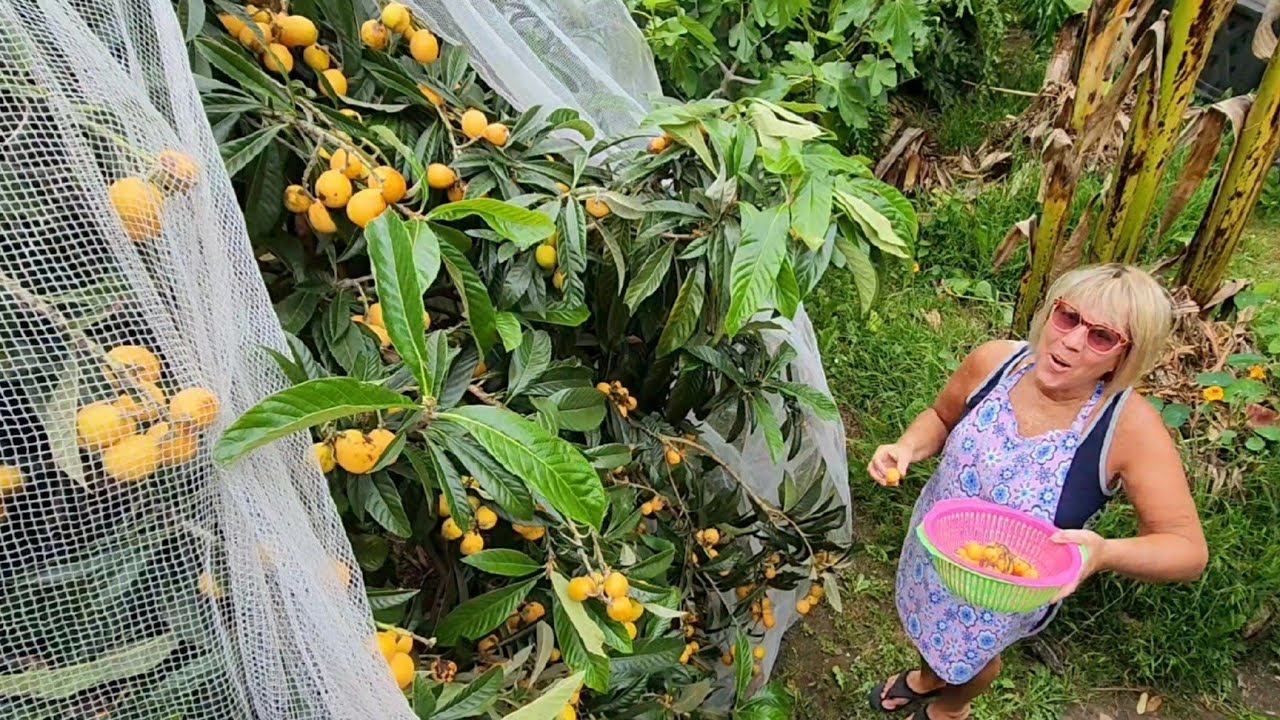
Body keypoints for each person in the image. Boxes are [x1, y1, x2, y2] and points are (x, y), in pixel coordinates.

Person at [865, 264, 1209, 719]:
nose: (1070, 340)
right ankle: (928, 676)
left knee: (975, 659)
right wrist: (907, 446)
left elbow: (1187, 549)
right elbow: (942, 417)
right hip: (936, 551)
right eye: (1067, 317)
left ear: (1123, 358)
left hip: (1006, 591)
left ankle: (951, 707)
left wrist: (1103, 553)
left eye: (1101, 336)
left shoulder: (1128, 427)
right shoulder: (994, 363)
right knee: (926, 621)